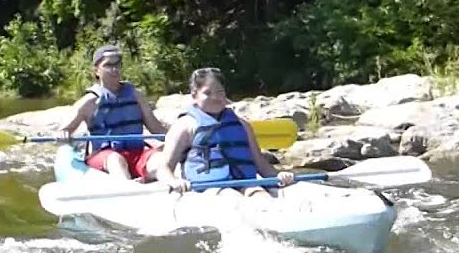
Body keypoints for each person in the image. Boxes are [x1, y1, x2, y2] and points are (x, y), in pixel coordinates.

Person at [153, 67, 294, 196]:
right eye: (207, 93)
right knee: (229, 196)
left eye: (219, 92)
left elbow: (260, 163)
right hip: (209, 188)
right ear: (194, 95)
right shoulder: (184, 126)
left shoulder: (241, 124)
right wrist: (173, 181)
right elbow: (164, 167)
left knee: (259, 195)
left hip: (243, 182)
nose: (215, 98)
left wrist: (278, 176)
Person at [58, 45, 169, 181]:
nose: (114, 69)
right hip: (105, 156)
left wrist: (176, 138)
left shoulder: (136, 96)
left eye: (117, 64)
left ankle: (166, 184)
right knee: (116, 160)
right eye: (108, 65)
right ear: (96, 70)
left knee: (159, 158)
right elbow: (65, 129)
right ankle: (127, 190)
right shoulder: (89, 101)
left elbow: (156, 129)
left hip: (137, 153)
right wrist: (64, 133)